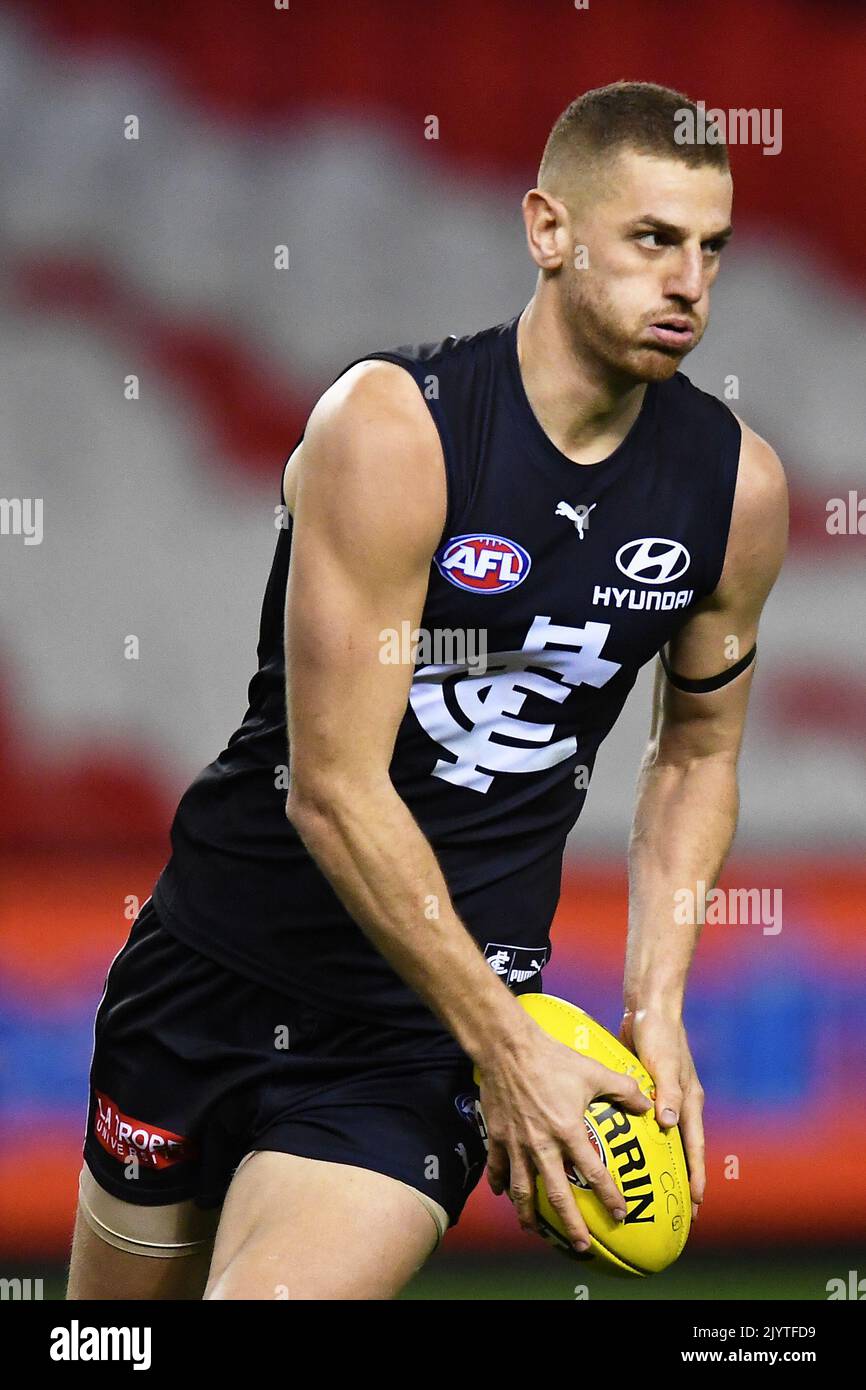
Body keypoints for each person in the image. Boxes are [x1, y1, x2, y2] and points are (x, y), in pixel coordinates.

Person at [67, 80, 788, 1300]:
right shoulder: (394, 430)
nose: (688, 285)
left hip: (422, 1029)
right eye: (652, 241)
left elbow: (696, 751)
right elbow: (332, 790)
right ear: (548, 231)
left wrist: (649, 1004)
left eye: (710, 250)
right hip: (215, 960)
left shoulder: (735, 493)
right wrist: (511, 1047)